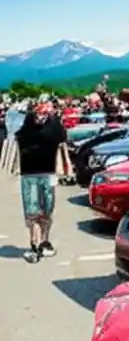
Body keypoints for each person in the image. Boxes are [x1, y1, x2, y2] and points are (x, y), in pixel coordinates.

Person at [16, 101, 67, 262]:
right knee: (32, 212)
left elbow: (61, 142)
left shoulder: (54, 127)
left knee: (47, 210)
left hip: (48, 173)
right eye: (38, 114)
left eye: (44, 114)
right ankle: (34, 243)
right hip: (29, 175)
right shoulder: (25, 128)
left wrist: (64, 167)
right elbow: (18, 141)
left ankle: (44, 241)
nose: (40, 117)